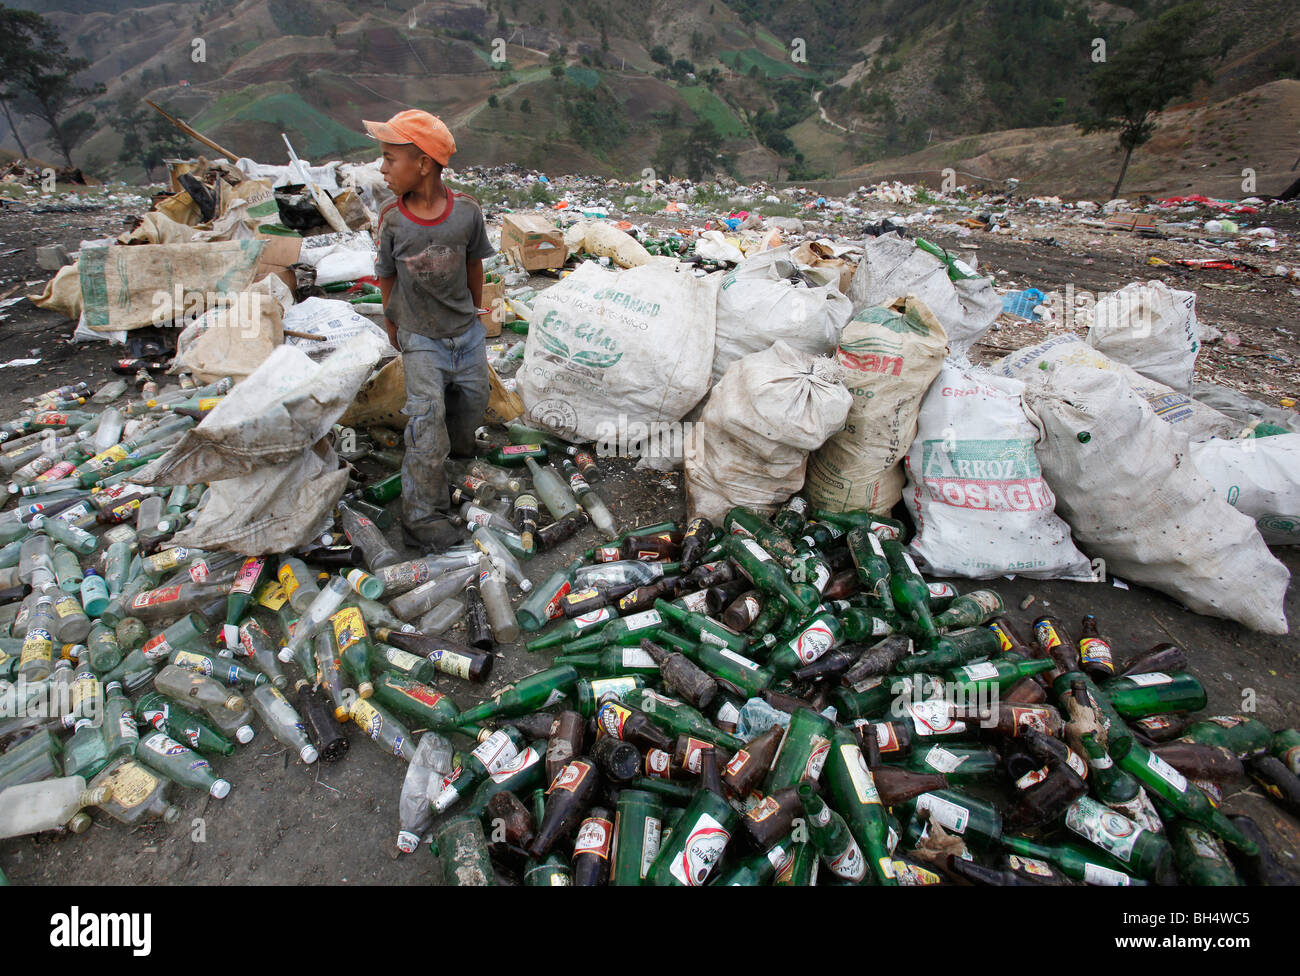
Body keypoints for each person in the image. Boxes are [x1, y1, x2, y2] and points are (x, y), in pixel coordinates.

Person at [365, 109, 496, 551]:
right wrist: (391, 322)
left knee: (474, 399)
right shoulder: (392, 219)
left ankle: (456, 459)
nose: (382, 168)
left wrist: (476, 311)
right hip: (420, 337)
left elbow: (473, 263)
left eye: (389, 158)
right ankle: (421, 517)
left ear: (422, 163)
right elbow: (386, 275)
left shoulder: (466, 213)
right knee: (426, 422)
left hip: (465, 332)